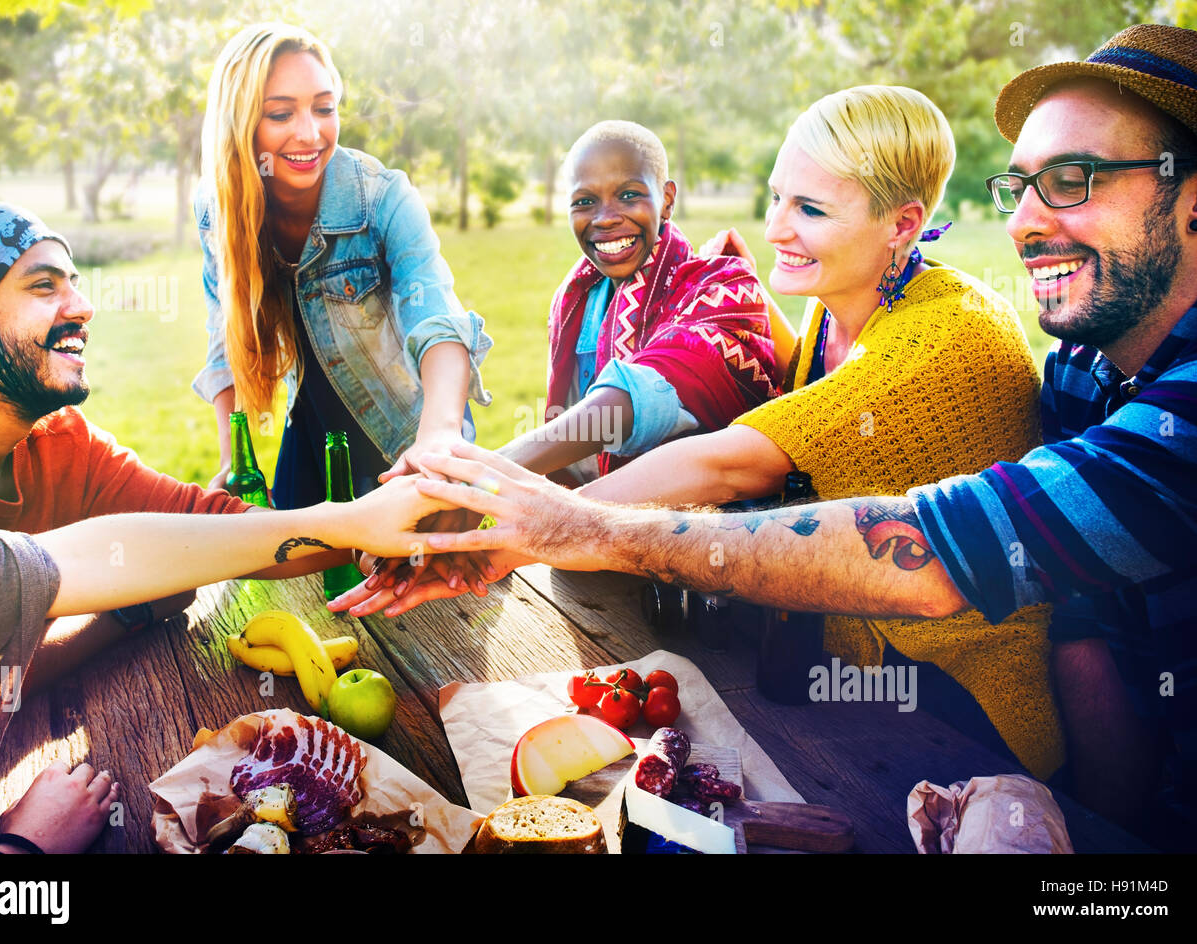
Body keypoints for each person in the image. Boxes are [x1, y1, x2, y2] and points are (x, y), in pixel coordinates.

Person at [404, 24, 1197, 849]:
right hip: (872, 686)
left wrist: (534, 522)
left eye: (1074, 182)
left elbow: (738, 467)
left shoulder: (958, 337)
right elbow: (1091, 610)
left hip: (961, 712)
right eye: (1024, 186)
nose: (1026, 223)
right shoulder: (1077, 363)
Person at [342, 91, 1063, 777]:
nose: (776, 226)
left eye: (809, 208)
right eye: (778, 195)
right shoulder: (831, 317)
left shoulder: (943, 335)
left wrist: (517, 515)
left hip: (956, 709)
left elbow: (731, 463)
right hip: (835, 668)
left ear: (903, 224)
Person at [0, 199, 451, 852]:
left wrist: (367, 529)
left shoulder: (64, 445)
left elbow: (215, 528)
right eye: (43, 285)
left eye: (76, 283)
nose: (81, 307)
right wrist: (124, 617)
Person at [360, 119, 785, 597]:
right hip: (586, 563)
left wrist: (476, 481)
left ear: (666, 197)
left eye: (628, 195)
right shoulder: (578, 296)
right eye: (584, 201)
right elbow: (573, 434)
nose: (605, 217)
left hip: (704, 573)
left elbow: (636, 399)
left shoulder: (722, 285)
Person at [0, 484, 454, 853]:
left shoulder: (64, 443)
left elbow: (196, 532)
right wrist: (22, 850)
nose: (83, 308)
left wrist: (358, 527)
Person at [194, 23, 493, 507]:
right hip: (312, 431)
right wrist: (234, 460)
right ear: (240, 122)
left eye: (324, 108)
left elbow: (438, 319)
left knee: (414, 580)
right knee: (301, 575)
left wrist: (438, 439)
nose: (310, 133)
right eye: (280, 113)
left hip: (403, 440)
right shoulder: (218, 209)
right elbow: (223, 336)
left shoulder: (382, 198)